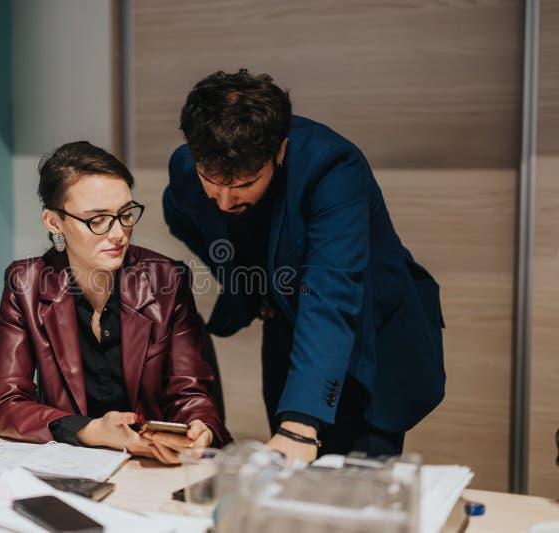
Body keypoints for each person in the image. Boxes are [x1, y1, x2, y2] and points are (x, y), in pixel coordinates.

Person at [163, 69, 445, 462]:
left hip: (369, 335)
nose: (224, 200)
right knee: (291, 472)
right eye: (212, 181)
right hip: (288, 330)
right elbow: (181, 218)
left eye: (244, 185)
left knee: (354, 481)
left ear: (279, 151)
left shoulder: (333, 168)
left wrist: (300, 426)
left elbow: (329, 294)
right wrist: (249, 282)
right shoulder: (186, 168)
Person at [0, 141, 230, 464]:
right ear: (53, 222)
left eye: (125, 214)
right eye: (97, 220)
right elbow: (5, 405)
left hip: (152, 466)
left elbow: (191, 394)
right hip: (71, 467)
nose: (118, 234)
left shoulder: (167, 281)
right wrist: (92, 431)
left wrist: (200, 429)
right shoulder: (26, 285)